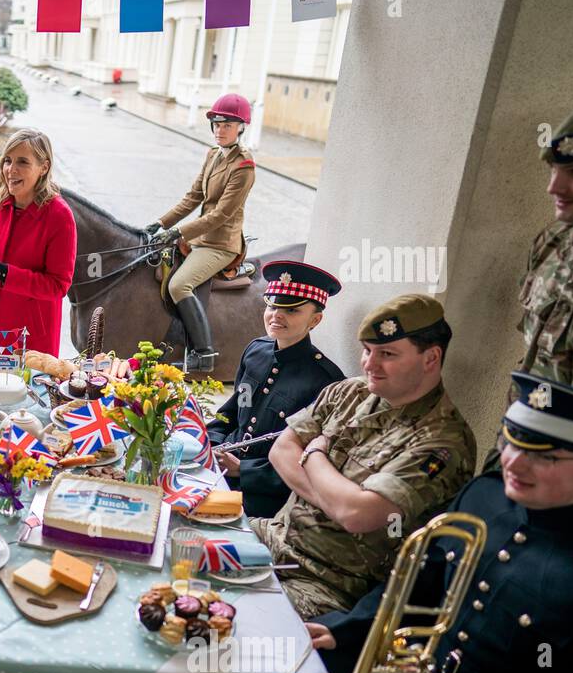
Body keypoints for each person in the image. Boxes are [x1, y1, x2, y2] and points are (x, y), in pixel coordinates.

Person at [306, 372, 573, 673]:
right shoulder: (485, 496)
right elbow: (415, 584)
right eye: (512, 441)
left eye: (544, 456)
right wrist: (350, 627)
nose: (514, 463)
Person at [253, 294, 477, 619]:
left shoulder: (442, 442)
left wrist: (315, 453)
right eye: (368, 351)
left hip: (325, 584)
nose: (370, 365)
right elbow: (281, 451)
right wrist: (337, 500)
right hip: (274, 535)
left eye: (387, 354)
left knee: (230, 628)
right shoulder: (347, 392)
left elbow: (358, 515)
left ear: (431, 358)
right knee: (178, 551)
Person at [207, 261, 346, 518]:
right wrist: (209, 444)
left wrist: (244, 470)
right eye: (272, 306)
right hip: (219, 465)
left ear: (315, 320)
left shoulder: (326, 381)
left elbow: (311, 461)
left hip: (262, 494)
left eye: (291, 310)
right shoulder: (256, 350)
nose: (276, 315)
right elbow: (230, 413)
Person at [146, 93, 256, 370]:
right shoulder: (212, 155)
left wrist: (179, 232)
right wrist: (162, 223)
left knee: (178, 284)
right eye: (217, 124)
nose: (220, 130)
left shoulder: (244, 166)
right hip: (199, 235)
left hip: (220, 243)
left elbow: (222, 214)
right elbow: (194, 196)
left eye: (227, 125)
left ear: (241, 127)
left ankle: (204, 353)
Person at [0, 128, 76, 368]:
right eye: (7, 161)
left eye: (23, 162)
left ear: (44, 167)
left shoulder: (59, 216)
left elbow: (58, 286)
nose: (11, 169)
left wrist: (1, 272)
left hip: (30, 337)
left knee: (22, 403)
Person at [517, 97, 573, 391]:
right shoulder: (553, 241)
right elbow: (535, 355)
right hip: (528, 427)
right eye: (554, 169)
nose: (554, 187)